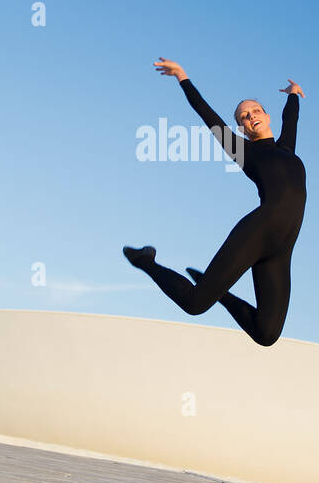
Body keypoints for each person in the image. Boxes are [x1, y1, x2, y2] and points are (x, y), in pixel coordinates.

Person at [123, 58, 306, 346]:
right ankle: (146, 261)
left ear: (266, 116)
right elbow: (206, 114)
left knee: (267, 334)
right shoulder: (244, 151)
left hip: (283, 246)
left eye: (256, 110)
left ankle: (223, 293)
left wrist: (294, 93)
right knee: (195, 304)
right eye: (244, 116)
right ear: (242, 129)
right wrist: (182, 76)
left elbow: (291, 119)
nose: (251, 116)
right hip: (259, 230)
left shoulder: (287, 149)